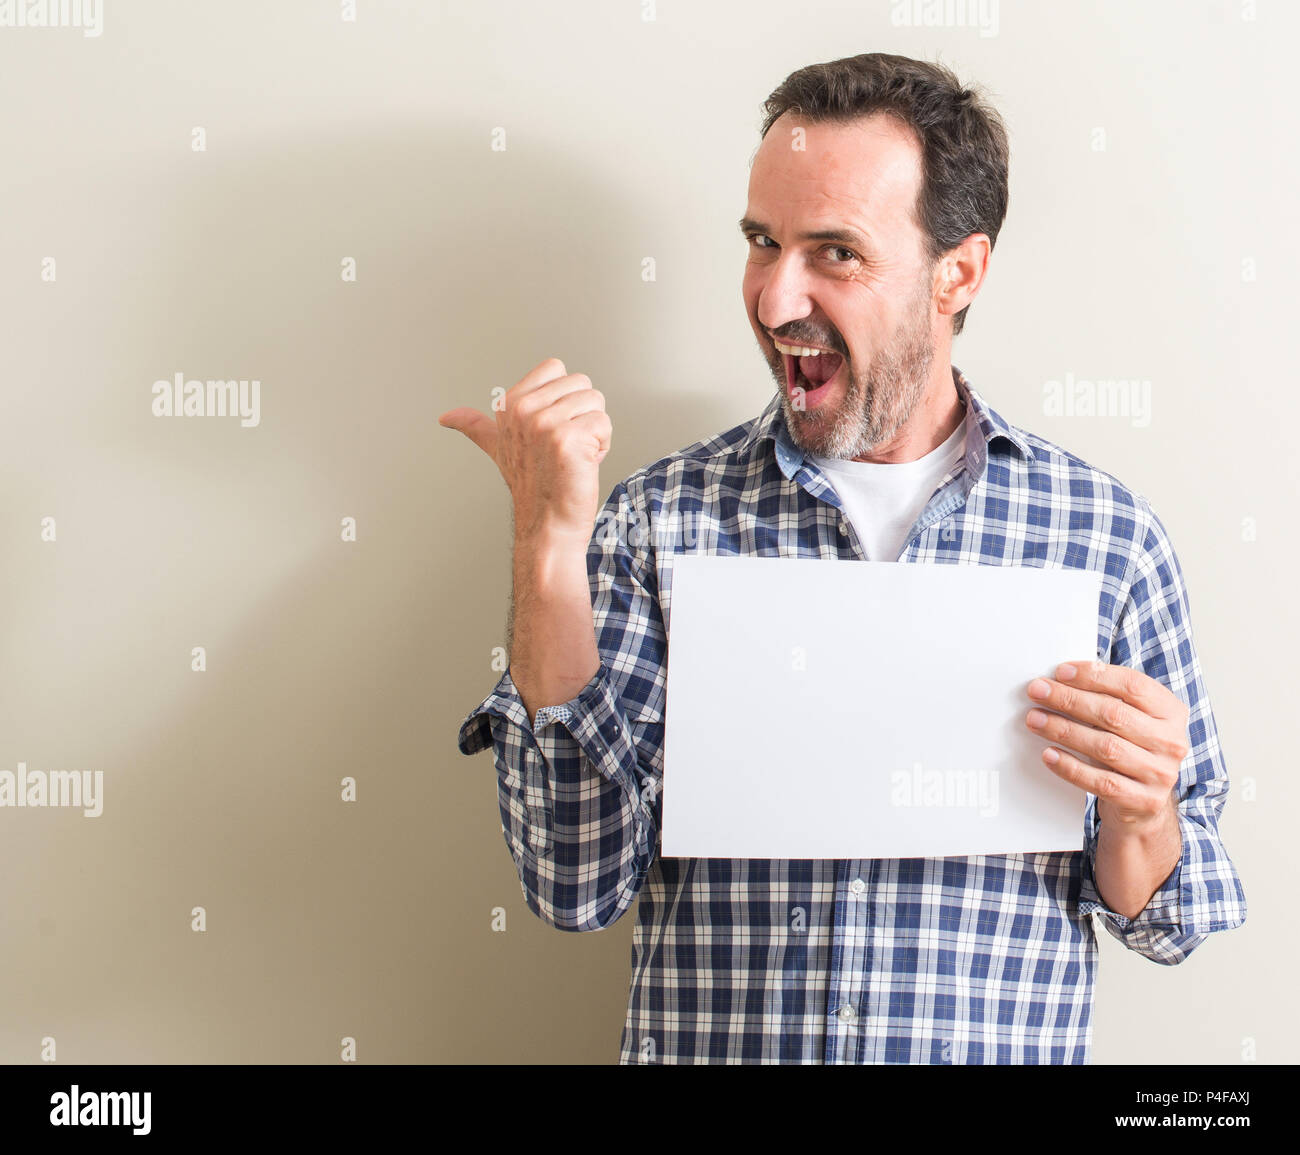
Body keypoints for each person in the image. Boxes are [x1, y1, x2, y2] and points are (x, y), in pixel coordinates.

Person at [439, 52, 1246, 1064]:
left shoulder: (1105, 539)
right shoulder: (660, 520)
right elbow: (573, 884)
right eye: (761, 243)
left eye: (836, 254)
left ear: (958, 272)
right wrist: (547, 543)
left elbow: (1166, 922)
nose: (777, 300)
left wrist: (1139, 813)